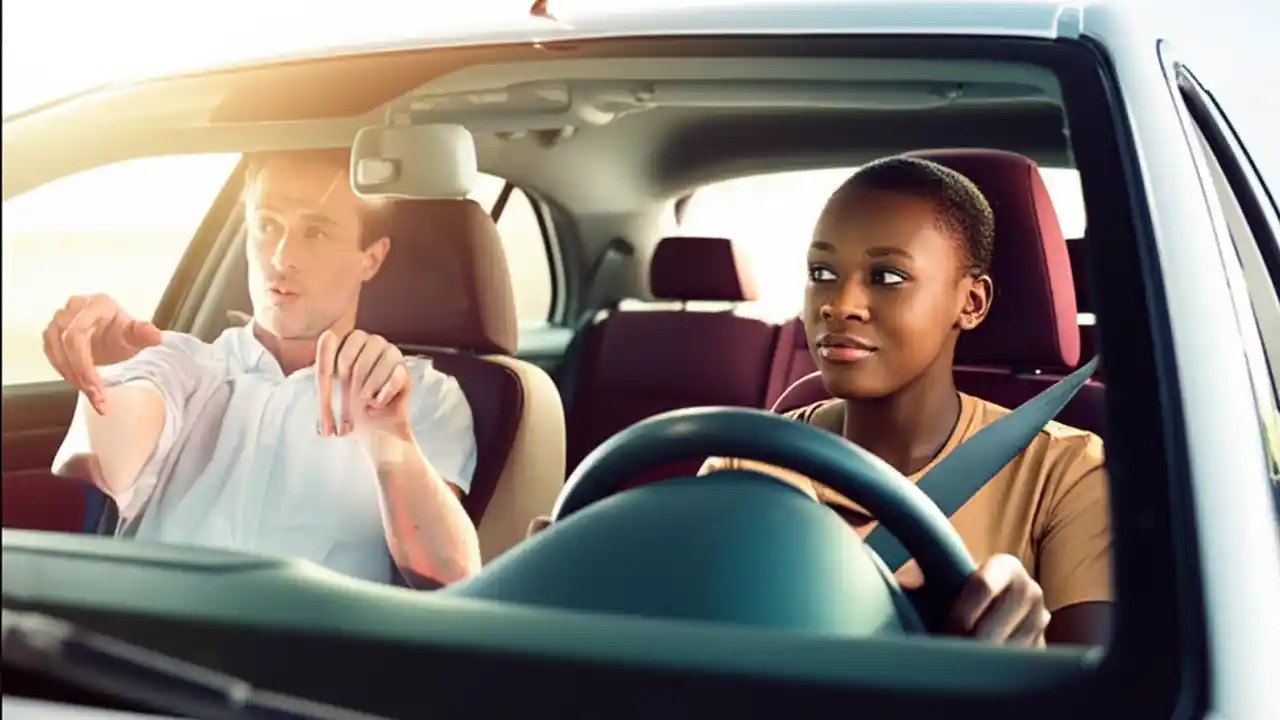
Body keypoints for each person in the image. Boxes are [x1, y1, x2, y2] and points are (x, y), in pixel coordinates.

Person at [699, 157, 1111, 646]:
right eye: (822, 271)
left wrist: (1024, 646)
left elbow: (1101, 706)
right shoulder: (747, 462)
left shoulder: (1065, 471)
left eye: (888, 277)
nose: (840, 303)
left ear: (972, 303)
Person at [47, 148, 481, 588]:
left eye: (316, 232)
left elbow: (451, 578)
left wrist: (391, 441)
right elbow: (112, 459)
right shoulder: (183, 362)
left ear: (371, 258)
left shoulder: (422, 395)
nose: (282, 257)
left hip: (306, 651)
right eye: (268, 225)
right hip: (146, 642)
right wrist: (103, 368)